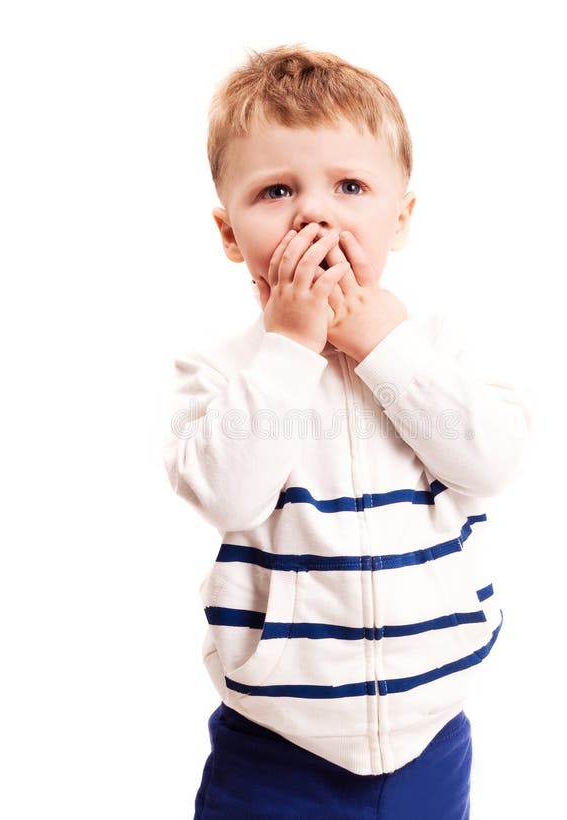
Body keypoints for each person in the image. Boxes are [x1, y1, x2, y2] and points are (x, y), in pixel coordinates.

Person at [163, 43, 532, 819]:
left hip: (430, 734)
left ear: (399, 220)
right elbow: (228, 497)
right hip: (274, 746)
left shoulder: (440, 347)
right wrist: (291, 344)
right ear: (230, 234)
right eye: (276, 191)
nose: (315, 213)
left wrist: (380, 342)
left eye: (350, 186)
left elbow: (491, 461)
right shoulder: (221, 368)